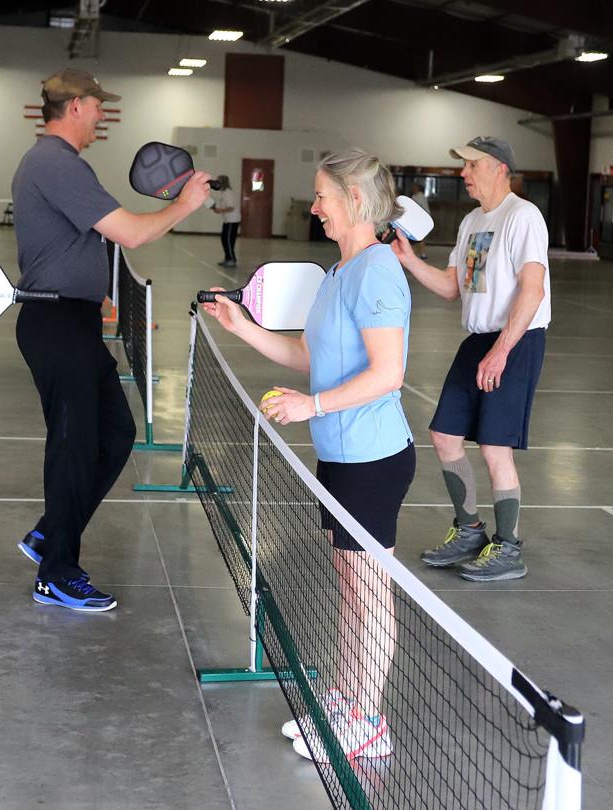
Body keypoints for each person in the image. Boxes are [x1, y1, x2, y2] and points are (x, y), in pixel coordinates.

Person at [204, 148, 413, 763]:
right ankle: (349, 702)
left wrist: (312, 408)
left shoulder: (377, 271)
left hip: (372, 460)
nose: (315, 205)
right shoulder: (342, 270)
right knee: (352, 590)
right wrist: (241, 325)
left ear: (354, 200)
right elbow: (312, 358)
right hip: (341, 459)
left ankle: (369, 722)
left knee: (370, 594)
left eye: (323, 195)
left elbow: (389, 374)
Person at [12, 68, 211, 612]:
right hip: (55, 322)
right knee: (74, 446)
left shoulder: (63, 164)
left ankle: (51, 531)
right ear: (75, 106)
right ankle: (56, 573)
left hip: (72, 320)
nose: (103, 114)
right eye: (99, 106)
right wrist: (185, 206)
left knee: (116, 432)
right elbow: (131, 232)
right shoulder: (55, 162)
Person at [391, 136, 549, 583]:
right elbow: (450, 286)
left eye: (472, 165)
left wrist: (502, 351)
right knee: (444, 433)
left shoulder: (523, 216)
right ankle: (469, 531)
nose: (464, 174)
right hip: (477, 340)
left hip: (515, 340)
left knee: (495, 446)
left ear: (499, 167)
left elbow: (533, 290)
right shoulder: (472, 221)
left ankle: (509, 547)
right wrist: (408, 259)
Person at [211, 174, 241, 268]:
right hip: (227, 220)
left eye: (218, 181)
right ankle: (228, 258)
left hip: (233, 220)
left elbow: (231, 208)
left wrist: (220, 210)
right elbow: (225, 207)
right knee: (224, 239)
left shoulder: (228, 193)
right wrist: (216, 209)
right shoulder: (223, 193)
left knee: (228, 240)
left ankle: (232, 259)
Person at [408, 181, 430, 259]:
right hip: (415, 219)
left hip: (422, 218)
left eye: (414, 187)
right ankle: (414, 255)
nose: (413, 188)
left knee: (420, 238)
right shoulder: (414, 196)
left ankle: (423, 254)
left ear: (418, 188)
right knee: (413, 238)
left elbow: (419, 207)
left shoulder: (421, 196)